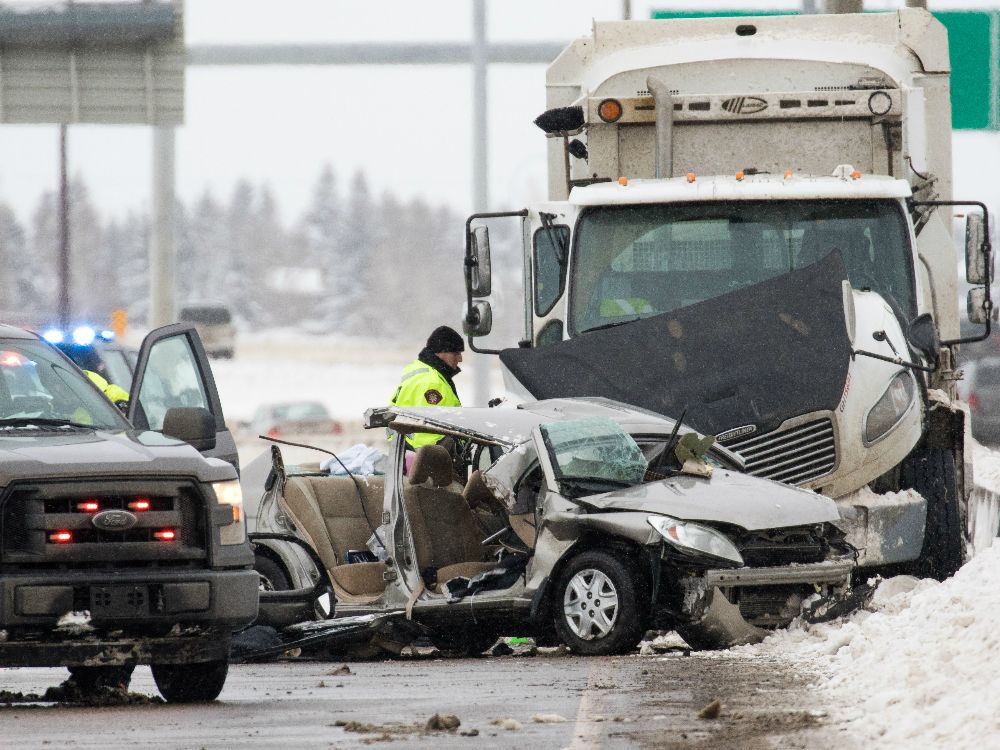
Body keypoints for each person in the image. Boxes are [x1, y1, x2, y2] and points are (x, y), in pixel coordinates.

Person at [390, 325, 464, 449]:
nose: (460, 359)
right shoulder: (431, 382)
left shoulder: (422, 371)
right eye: (456, 353)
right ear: (440, 352)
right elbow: (427, 437)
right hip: (425, 460)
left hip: (406, 452)